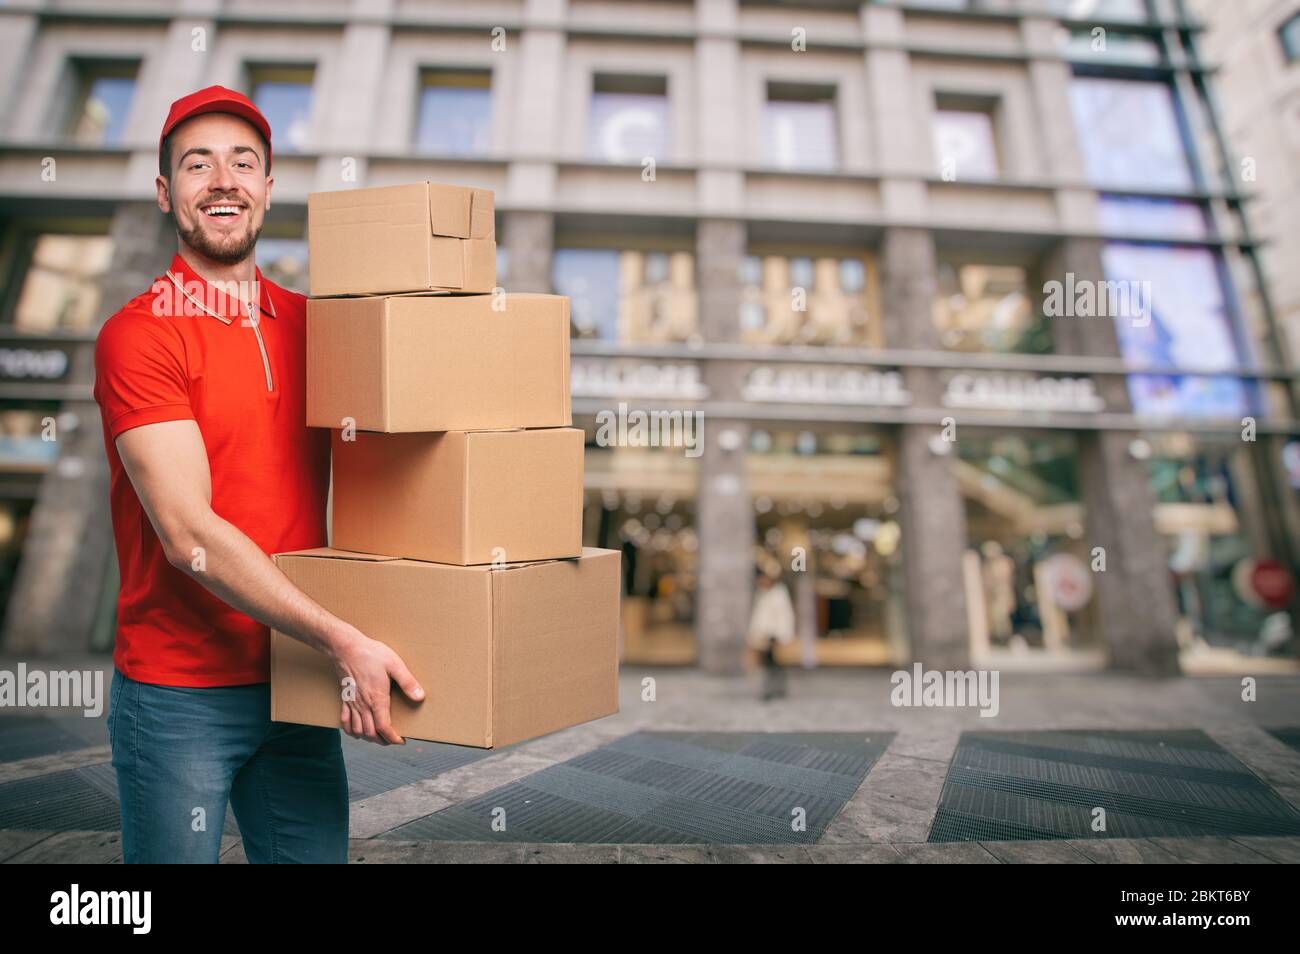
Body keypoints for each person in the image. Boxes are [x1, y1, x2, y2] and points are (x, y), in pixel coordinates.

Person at [94, 86, 425, 864]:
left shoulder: (317, 326)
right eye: (197, 163)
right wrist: (344, 639)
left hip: (296, 681)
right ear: (165, 191)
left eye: (244, 162)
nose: (223, 179)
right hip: (181, 692)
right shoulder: (139, 336)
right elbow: (187, 535)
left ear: (268, 189)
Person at [747, 567, 796, 700]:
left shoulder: (778, 595)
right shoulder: (764, 594)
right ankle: (771, 688)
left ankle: (774, 689)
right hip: (764, 635)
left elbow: (784, 616)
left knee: (773, 663)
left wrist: (781, 634)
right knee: (768, 663)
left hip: (773, 635)